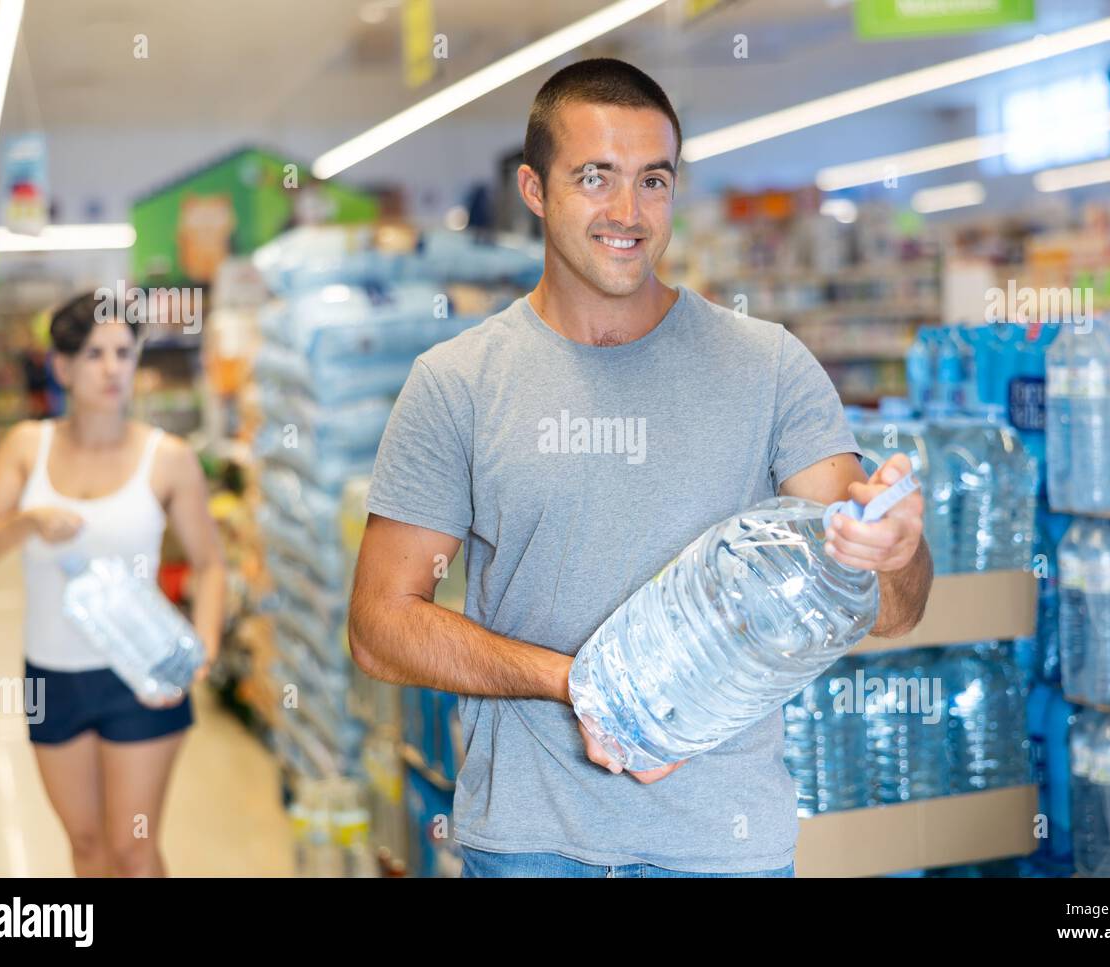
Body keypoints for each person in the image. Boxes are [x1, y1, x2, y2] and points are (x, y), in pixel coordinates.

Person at [348, 58, 932, 878]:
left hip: (722, 846)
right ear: (534, 189)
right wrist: (578, 684)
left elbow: (890, 611)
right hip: (529, 843)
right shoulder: (459, 383)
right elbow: (380, 622)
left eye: (653, 181)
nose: (628, 212)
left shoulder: (767, 367)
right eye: (596, 177)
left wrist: (899, 553)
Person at [0, 292, 225, 877]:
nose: (111, 368)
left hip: (140, 675)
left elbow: (210, 563)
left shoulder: (168, 458)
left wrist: (202, 651)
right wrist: (27, 522)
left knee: (132, 846)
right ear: (62, 367)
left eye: (124, 352)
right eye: (94, 353)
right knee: (85, 846)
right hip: (51, 677)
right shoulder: (27, 447)